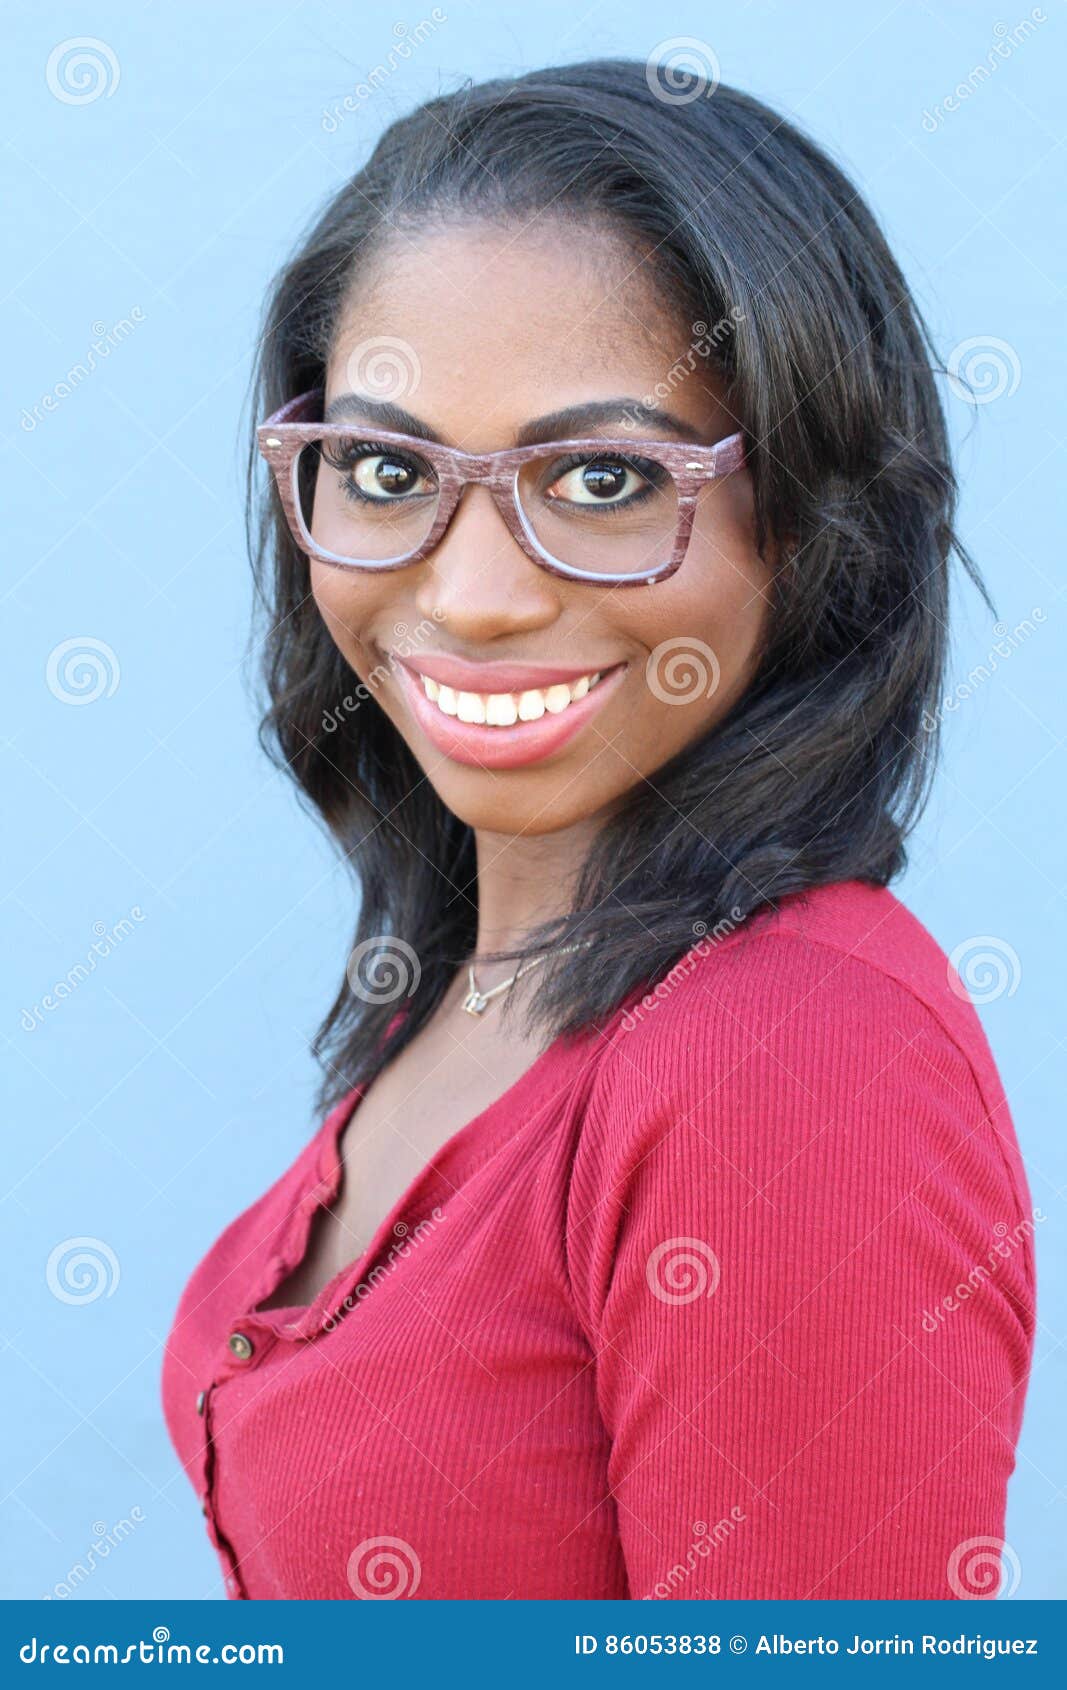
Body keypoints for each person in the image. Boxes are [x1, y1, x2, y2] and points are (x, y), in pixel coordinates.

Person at [161, 59, 1035, 1601]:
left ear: (810, 518)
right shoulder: (477, 985)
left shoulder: (788, 1058)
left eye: (605, 478)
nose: (473, 594)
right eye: (387, 469)